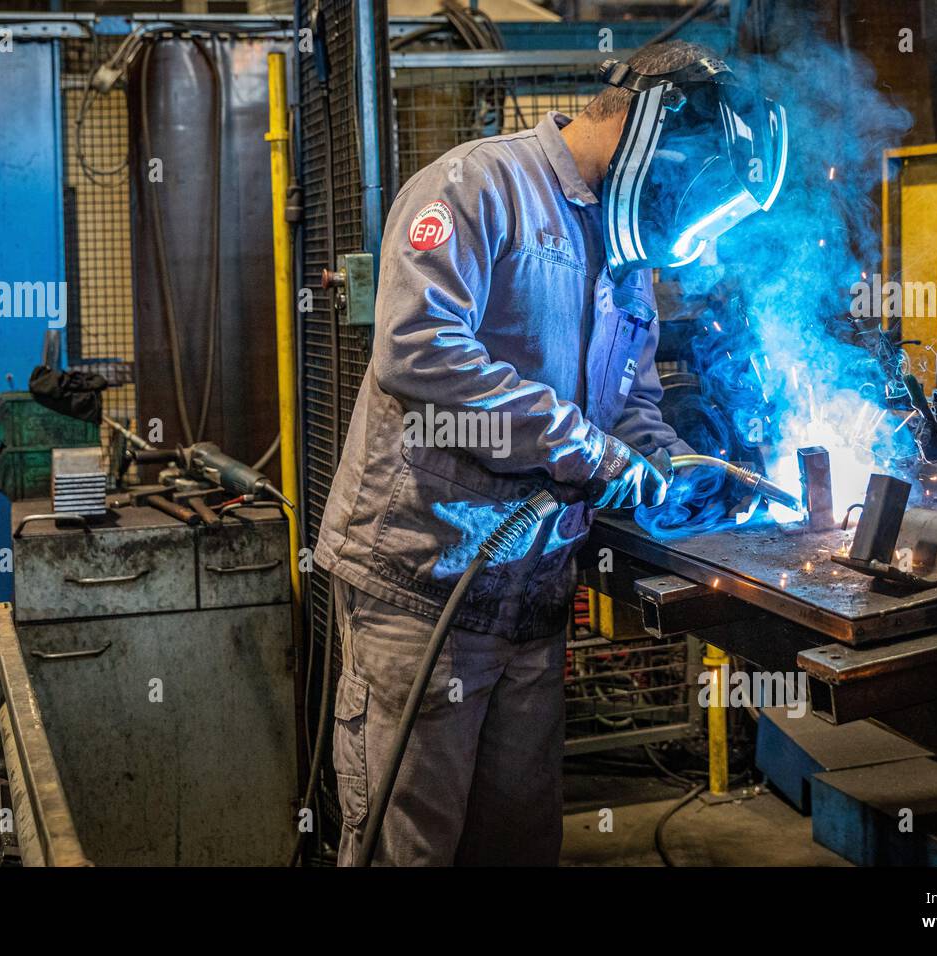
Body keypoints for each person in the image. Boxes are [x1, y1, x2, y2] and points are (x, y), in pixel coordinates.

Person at [313, 39, 788, 866]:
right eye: (691, 186)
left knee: (518, 846)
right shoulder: (477, 187)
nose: (685, 216)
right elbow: (417, 349)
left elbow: (631, 408)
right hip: (421, 589)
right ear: (652, 134)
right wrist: (590, 453)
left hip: (531, 604)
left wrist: (675, 471)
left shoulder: (626, 258)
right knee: (412, 850)